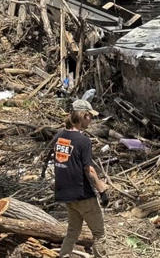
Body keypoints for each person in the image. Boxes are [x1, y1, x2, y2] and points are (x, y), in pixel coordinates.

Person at [46, 99, 109, 258]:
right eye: (90, 116)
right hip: (83, 194)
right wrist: (102, 190)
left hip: (66, 194)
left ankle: (64, 255)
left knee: (72, 232)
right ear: (83, 116)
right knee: (99, 234)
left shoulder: (60, 136)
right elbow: (89, 169)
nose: (92, 120)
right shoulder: (83, 141)